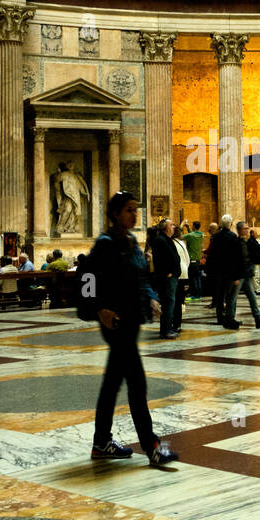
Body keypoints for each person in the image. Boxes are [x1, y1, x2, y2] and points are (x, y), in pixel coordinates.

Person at [88, 191, 178, 466]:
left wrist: (150, 296)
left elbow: (140, 277)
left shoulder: (131, 242)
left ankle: (101, 442)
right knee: (137, 384)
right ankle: (151, 446)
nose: (133, 214)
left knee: (112, 384)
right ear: (114, 213)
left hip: (131, 320)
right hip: (116, 322)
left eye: (134, 209)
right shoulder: (105, 244)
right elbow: (88, 278)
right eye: (128, 209)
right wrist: (99, 308)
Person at [230, 221, 260, 329]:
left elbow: (258, 249)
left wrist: (251, 239)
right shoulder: (235, 242)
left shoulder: (248, 241)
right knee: (233, 298)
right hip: (239, 275)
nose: (247, 230)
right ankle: (230, 319)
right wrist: (234, 277)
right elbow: (233, 261)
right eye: (245, 228)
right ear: (239, 230)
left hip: (247, 274)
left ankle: (258, 319)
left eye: (247, 228)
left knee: (252, 297)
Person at [208, 214, 245, 329]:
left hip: (218, 272)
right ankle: (230, 318)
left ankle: (220, 318)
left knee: (219, 296)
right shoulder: (233, 237)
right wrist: (236, 276)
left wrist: (211, 271)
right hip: (229, 272)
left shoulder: (215, 237)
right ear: (231, 224)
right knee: (230, 297)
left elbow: (212, 255)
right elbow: (236, 257)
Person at [150, 218, 182, 339]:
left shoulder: (167, 240)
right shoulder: (160, 240)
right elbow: (159, 260)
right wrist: (167, 273)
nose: (174, 227)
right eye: (171, 225)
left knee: (170, 303)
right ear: (165, 228)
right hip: (167, 278)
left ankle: (167, 329)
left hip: (172, 276)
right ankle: (166, 331)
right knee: (168, 303)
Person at [184, 221, 205, 300]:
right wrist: (188, 228)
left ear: (193, 226)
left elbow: (182, 236)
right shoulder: (200, 235)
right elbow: (192, 235)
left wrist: (182, 226)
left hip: (192, 260)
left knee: (192, 279)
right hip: (198, 260)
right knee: (198, 278)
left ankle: (194, 295)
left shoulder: (191, 235)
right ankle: (199, 295)